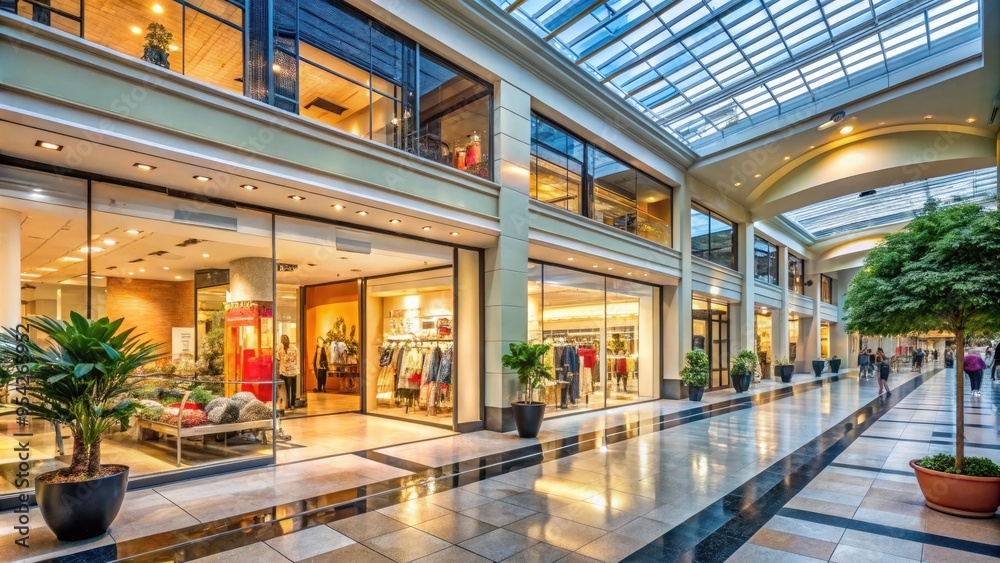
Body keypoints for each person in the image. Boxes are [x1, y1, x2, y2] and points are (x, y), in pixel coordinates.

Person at [276, 334, 299, 410]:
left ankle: (287, 404)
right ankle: (292, 404)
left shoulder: (280, 350)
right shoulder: (294, 348)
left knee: (286, 389)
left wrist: (279, 349)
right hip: (293, 371)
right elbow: (295, 358)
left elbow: (278, 358)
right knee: (293, 388)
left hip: (285, 371)